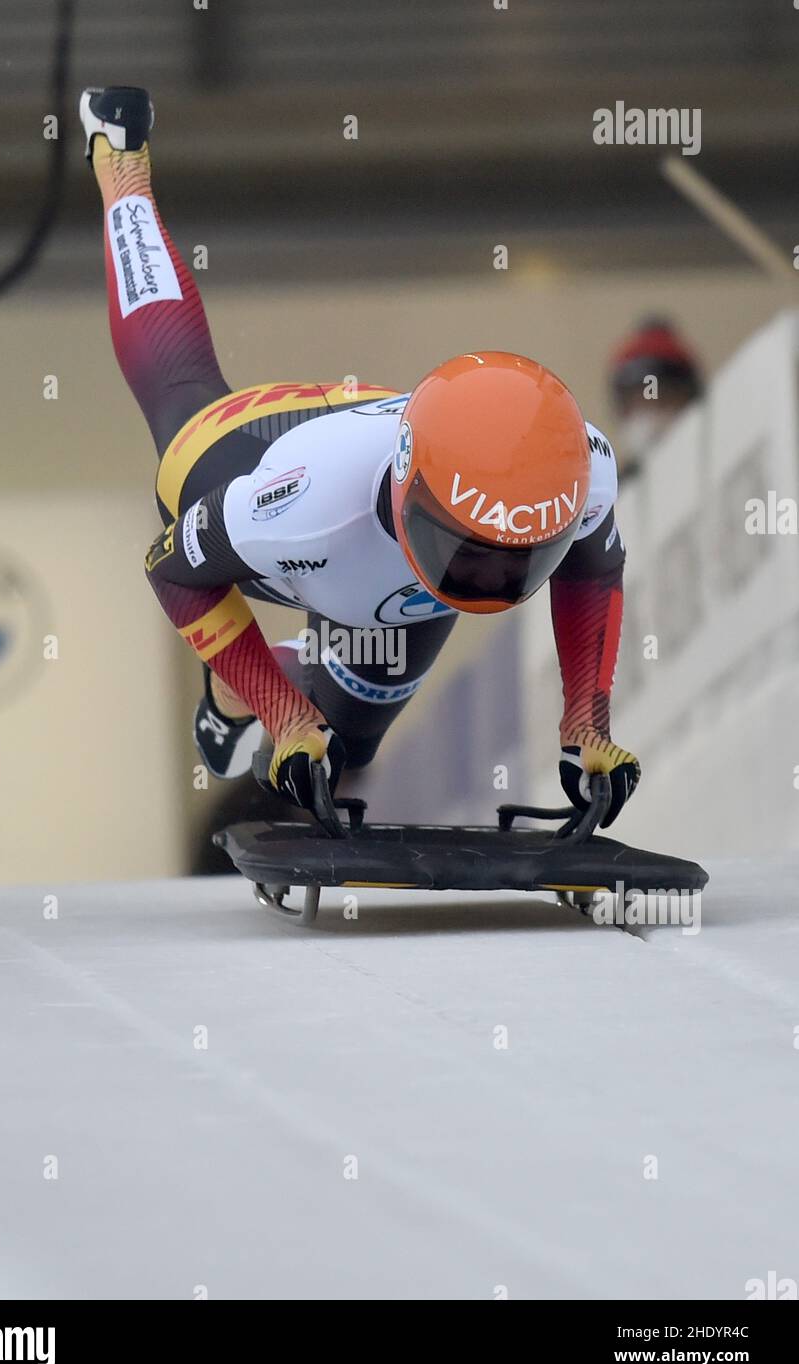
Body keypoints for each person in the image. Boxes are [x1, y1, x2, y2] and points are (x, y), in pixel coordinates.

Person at [80, 86, 640, 826]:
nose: (493, 578)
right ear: (414, 501)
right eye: (472, 554)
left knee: (348, 746)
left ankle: (260, 686)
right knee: (178, 393)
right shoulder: (297, 507)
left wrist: (586, 725)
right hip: (255, 461)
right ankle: (119, 161)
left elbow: (592, 565)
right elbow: (169, 567)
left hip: (377, 483)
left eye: (519, 559)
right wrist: (281, 715)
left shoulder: (584, 470)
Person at [609, 317, 703, 481]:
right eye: (636, 402)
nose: (649, 415)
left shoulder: (722, 472)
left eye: (663, 399)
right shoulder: (612, 494)